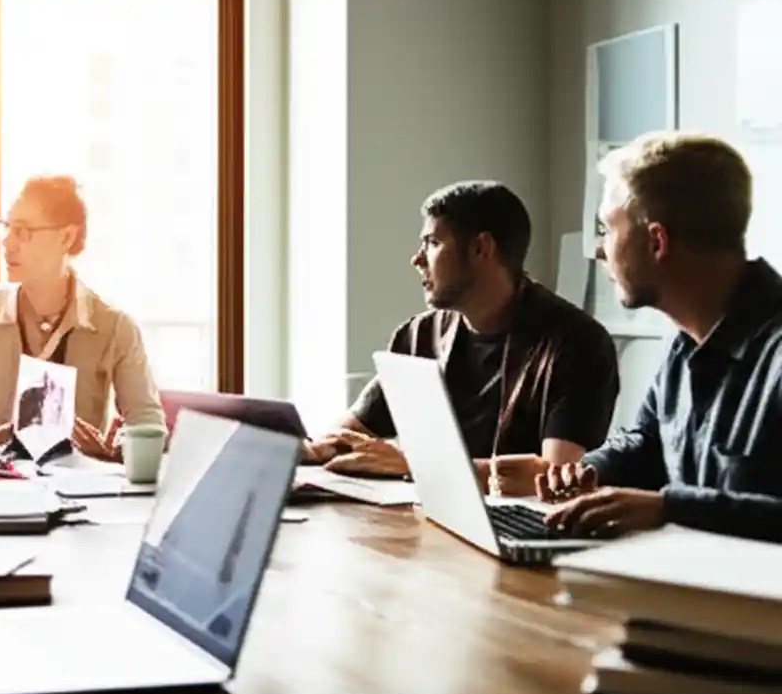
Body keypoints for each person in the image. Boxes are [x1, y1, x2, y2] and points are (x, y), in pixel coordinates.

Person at [534, 132, 782, 543]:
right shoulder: (687, 344)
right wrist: (585, 473)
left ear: (656, 241)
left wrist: (669, 510)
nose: (599, 250)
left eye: (607, 230)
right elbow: (647, 443)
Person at [303, 181, 620, 489]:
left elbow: (555, 478)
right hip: (420, 524)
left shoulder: (578, 344)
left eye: (432, 243)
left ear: (482, 248)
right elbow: (346, 436)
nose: (417, 259)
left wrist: (414, 464)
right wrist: (308, 449)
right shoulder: (418, 335)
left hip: (518, 535)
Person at [0, 175, 164, 466]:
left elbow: (147, 422)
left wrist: (124, 451)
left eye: (23, 231)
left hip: (81, 496)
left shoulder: (115, 327)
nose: (7, 243)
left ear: (66, 237)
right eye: (6, 228)